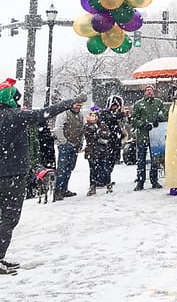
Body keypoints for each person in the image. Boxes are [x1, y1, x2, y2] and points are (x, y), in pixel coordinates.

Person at [0, 78, 85, 275]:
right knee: (9, 217)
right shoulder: (15, 116)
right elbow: (46, 112)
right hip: (12, 175)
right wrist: (70, 102)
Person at [131, 84, 168, 191]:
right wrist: (143, 124)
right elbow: (133, 119)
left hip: (155, 136)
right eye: (147, 90)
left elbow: (165, 114)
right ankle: (140, 181)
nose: (149, 92)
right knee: (141, 159)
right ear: (144, 92)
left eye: (151, 90)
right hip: (142, 135)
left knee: (155, 159)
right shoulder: (139, 104)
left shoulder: (158, 103)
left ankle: (154, 180)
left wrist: (159, 118)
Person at [53, 97, 85, 201]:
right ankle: (58, 191)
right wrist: (64, 142)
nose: (78, 107)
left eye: (80, 105)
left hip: (75, 145)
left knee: (70, 168)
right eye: (76, 105)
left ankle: (64, 189)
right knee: (62, 169)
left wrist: (80, 142)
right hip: (65, 146)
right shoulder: (64, 113)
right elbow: (58, 129)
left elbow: (82, 129)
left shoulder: (80, 115)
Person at [83, 108, 115, 195]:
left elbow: (107, 134)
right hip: (92, 152)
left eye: (95, 115)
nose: (93, 118)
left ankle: (108, 184)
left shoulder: (102, 125)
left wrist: (99, 133)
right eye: (92, 115)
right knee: (93, 170)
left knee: (105, 168)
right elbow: (88, 134)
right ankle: (92, 186)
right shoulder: (87, 126)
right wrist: (96, 132)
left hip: (103, 151)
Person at [100, 95, 127, 167]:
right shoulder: (105, 113)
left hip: (116, 134)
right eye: (114, 106)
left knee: (117, 146)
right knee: (111, 148)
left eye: (116, 106)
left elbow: (120, 123)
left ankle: (117, 158)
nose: (115, 107)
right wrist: (120, 115)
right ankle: (111, 159)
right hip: (109, 135)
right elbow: (111, 118)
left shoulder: (116, 113)